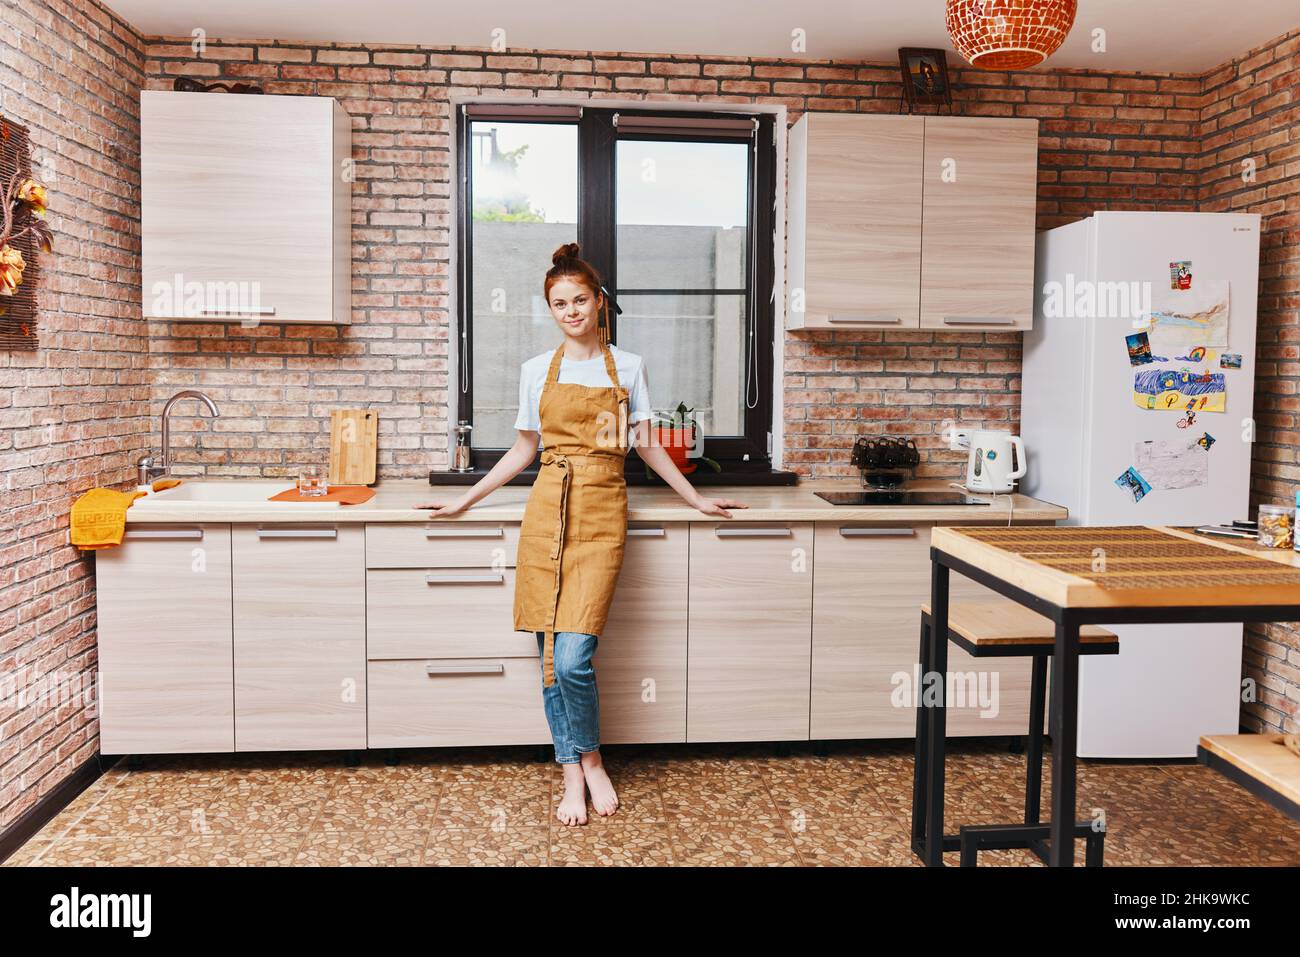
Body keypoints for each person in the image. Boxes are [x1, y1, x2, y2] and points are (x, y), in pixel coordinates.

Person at [417, 242, 747, 826]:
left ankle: (590, 756)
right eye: (558, 303)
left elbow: (645, 444)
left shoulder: (630, 366)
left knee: (573, 656)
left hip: (601, 513)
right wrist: (463, 501)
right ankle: (575, 768)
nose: (570, 311)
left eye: (579, 300)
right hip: (548, 509)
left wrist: (695, 498)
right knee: (548, 653)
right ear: (551, 309)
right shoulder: (534, 372)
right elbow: (524, 450)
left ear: (599, 303)